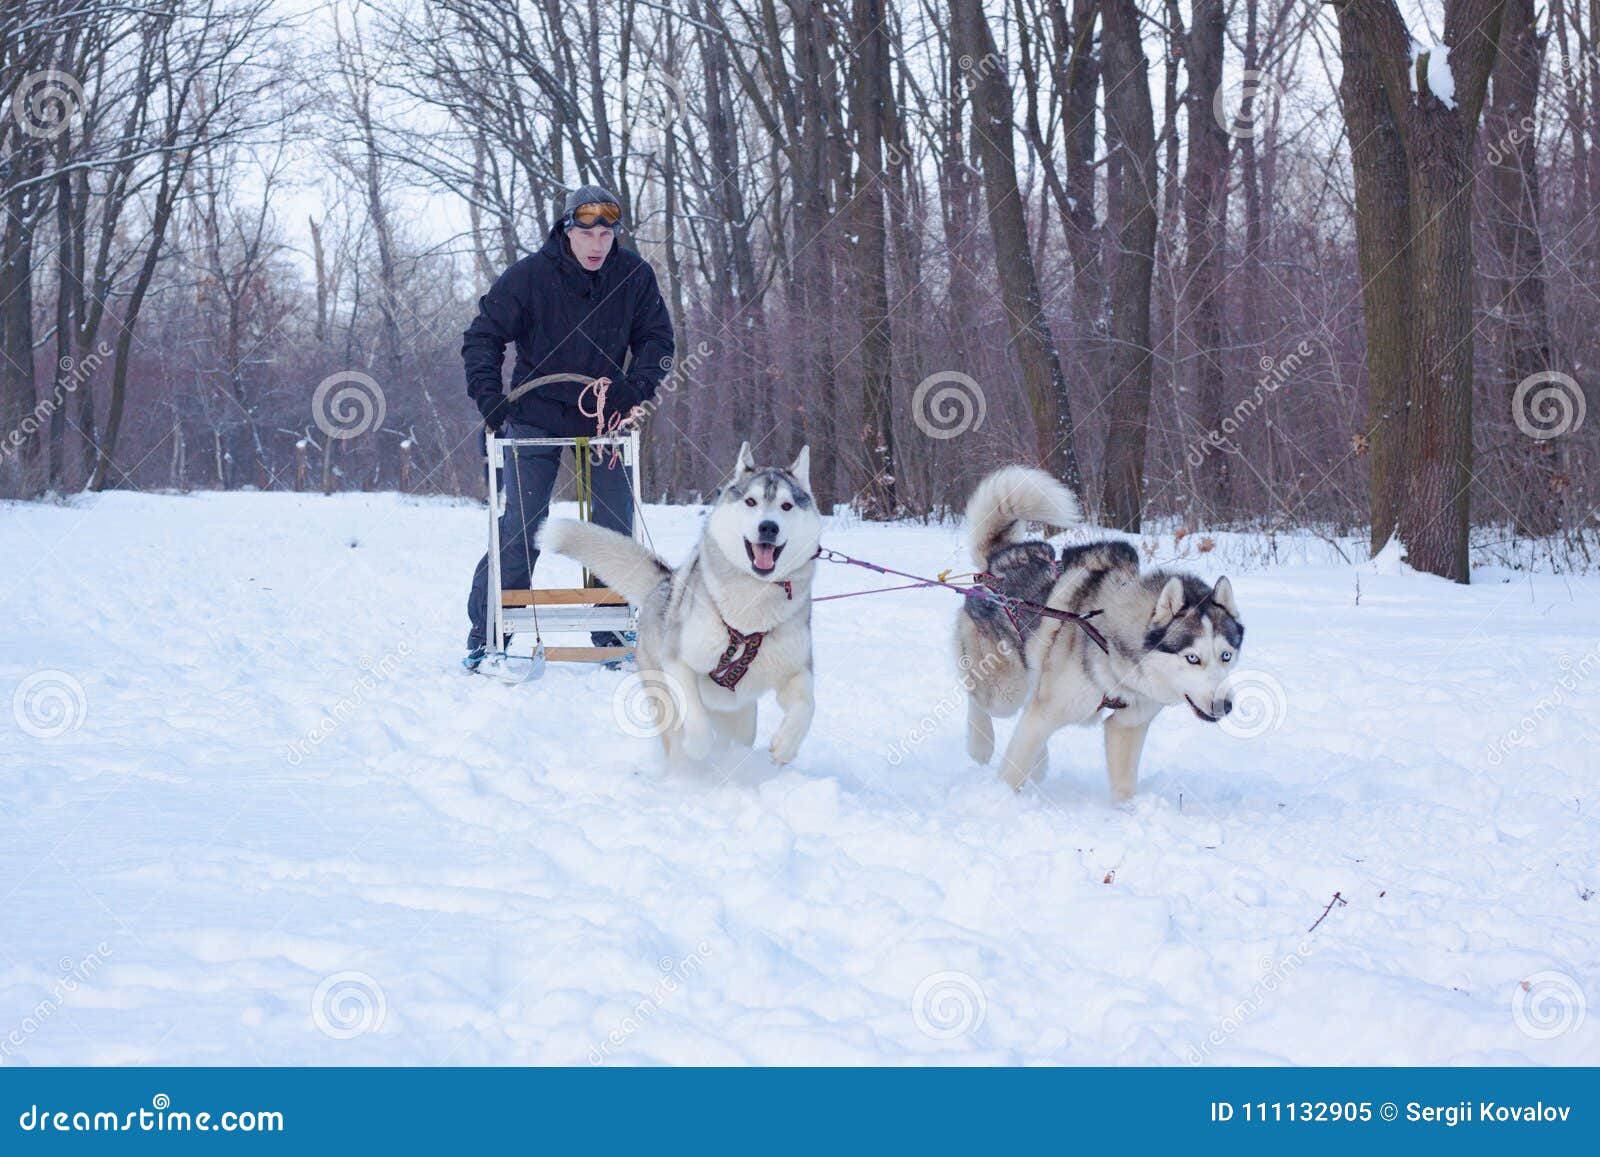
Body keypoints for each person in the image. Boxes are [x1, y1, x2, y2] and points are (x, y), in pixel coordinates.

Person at [461, 184, 674, 670]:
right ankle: (490, 630)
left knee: (613, 526)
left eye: (607, 232)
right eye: (587, 232)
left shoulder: (634, 277)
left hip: (605, 418)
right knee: (522, 526)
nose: (598, 243)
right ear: (566, 230)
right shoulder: (530, 277)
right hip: (535, 415)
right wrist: (489, 398)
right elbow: (482, 338)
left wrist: (634, 387)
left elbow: (659, 341)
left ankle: (611, 626)